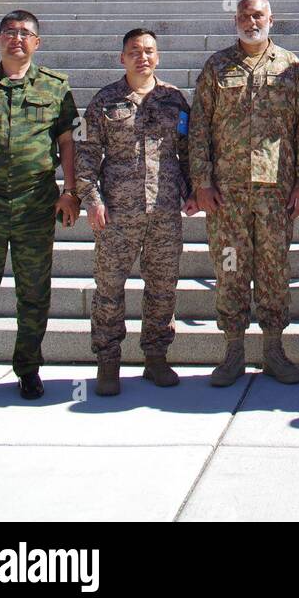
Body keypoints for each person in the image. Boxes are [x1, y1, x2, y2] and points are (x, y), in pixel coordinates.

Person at [0, 10, 80, 405]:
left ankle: (28, 370)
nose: (16, 39)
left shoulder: (56, 87)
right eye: (9, 32)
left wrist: (70, 190)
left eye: (25, 33)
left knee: (34, 292)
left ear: (37, 43)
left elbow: (68, 143)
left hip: (35, 204)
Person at [188, 0, 299, 385]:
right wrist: (202, 182)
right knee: (229, 267)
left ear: (271, 19)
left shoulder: (291, 67)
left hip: (275, 192)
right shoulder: (217, 66)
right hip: (227, 193)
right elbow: (199, 128)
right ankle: (233, 352)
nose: (251, 20)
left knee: (274, 269)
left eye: (257, 14)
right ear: (236, 21)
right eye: (244, 15)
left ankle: (274, 350)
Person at [75, 28, 194, 396]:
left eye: (149, 51)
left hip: (163, 211)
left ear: (157, 57)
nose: (142, 57)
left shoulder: (175, 100)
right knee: (109, 288)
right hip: (117, 213)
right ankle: (108, 361)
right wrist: (91, 199)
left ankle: (156, 357)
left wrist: (192, 192)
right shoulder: (105, 101)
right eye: (134, 51)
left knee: (162, 287)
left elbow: (190, 151)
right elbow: (86, 155)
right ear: (122, 58)